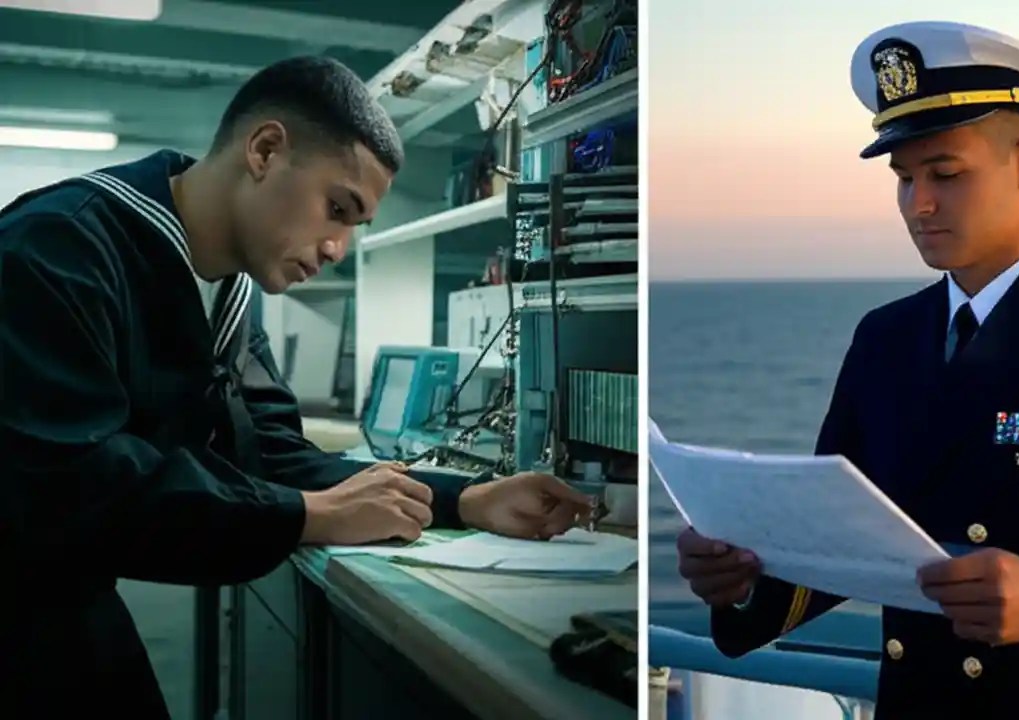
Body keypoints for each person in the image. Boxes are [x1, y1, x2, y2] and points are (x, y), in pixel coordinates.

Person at [675, 20, 1019, 719]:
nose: (919, 203)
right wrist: (742, 579)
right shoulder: (884, 341)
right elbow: (839, 542)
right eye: (904, 178)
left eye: (946, 174)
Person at [0, 56, 594, 717]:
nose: (339, 247)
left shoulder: (227, 295)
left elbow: (275, 456)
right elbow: (74, 487)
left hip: (62, 594)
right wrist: (307, 516)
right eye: (337, 209)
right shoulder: (54, 251)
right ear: (264, 150)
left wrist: (468, 499)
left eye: (354, 225)